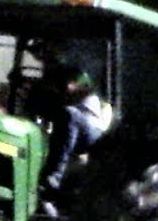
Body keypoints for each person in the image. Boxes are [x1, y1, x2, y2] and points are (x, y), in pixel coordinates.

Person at [38, 62, 112, 203]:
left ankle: (54, 176)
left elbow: (97, 127)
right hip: (75, 139)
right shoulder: (63, 107)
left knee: (70, 114)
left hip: (95, 138)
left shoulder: (92, 101)